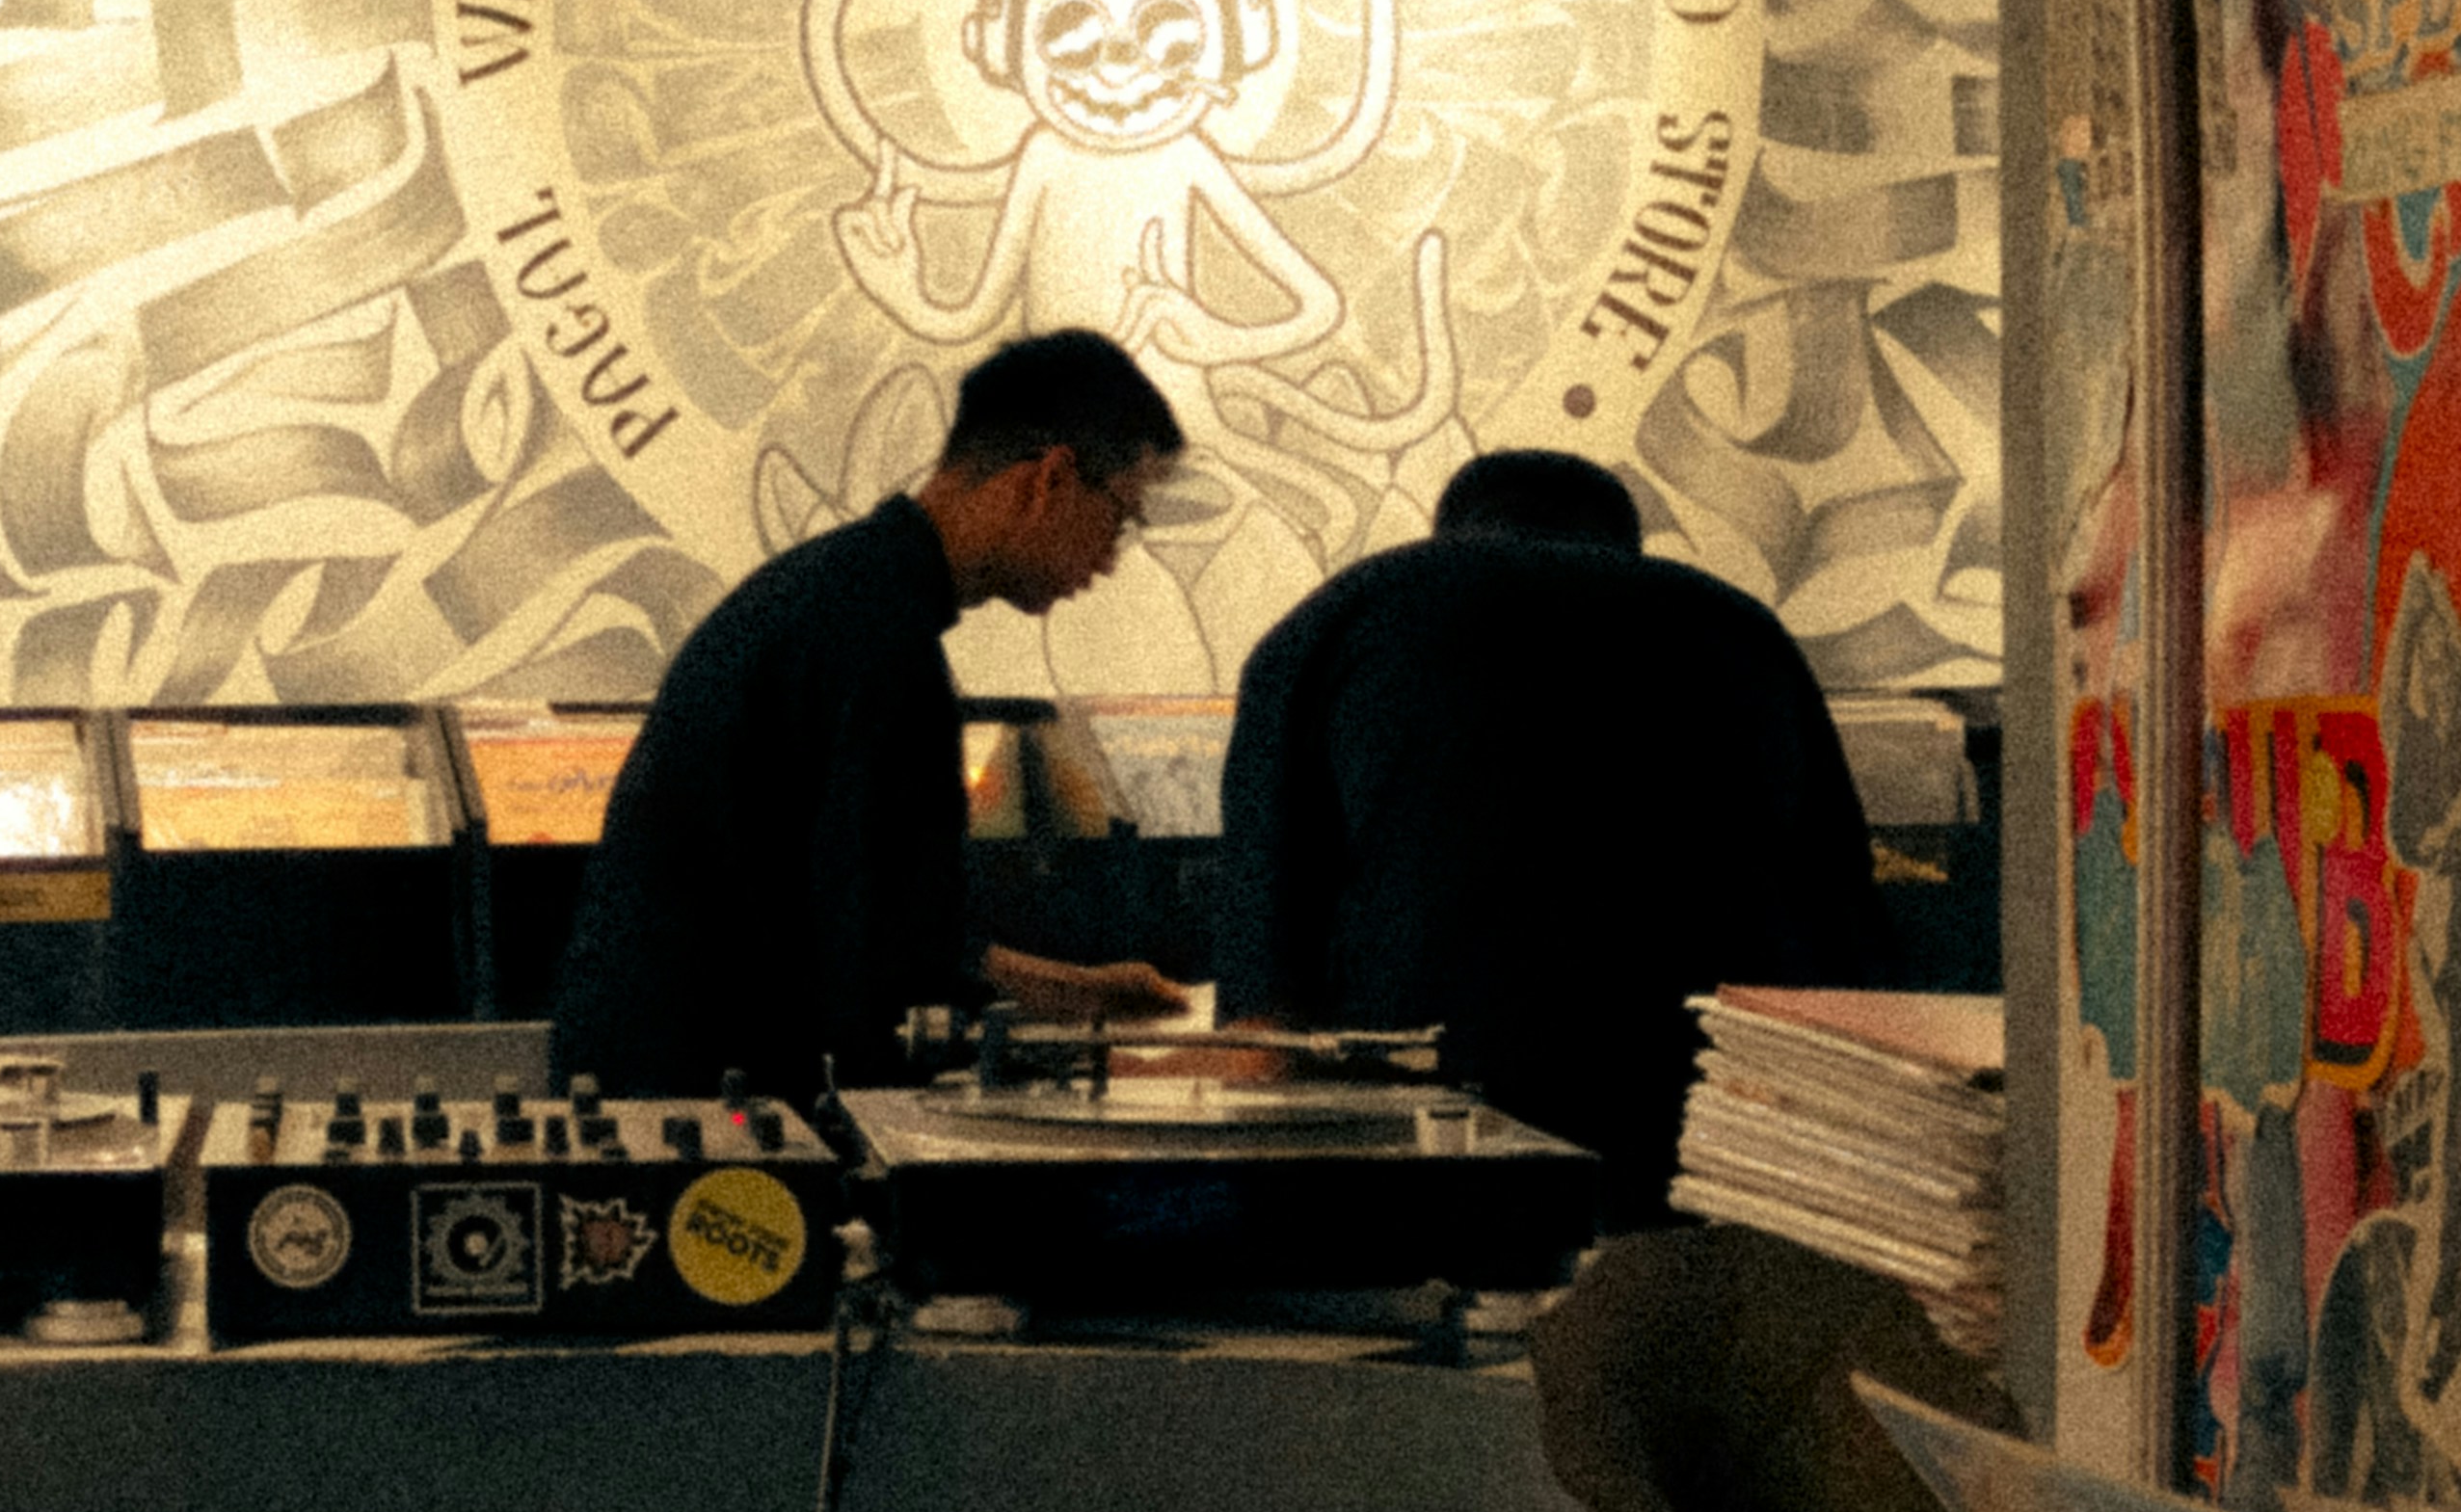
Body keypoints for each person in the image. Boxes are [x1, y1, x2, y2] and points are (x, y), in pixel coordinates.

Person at [1211, 447, 1884, 1227]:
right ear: (1623, 546)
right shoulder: (1739, 627)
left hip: (1436, 1114)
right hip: (1697, 1115)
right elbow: (1842, 916)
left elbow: (1264, 939)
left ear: (1448, 536)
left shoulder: (1336, 617)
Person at [548, 331, 1195, 1103]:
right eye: (1121, 518)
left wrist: (1072, 992)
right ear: (1049, 480)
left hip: (665, 1089)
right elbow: (882, 981)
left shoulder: (842, 597)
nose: (1111, 558)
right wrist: (1089, 1071)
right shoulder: (877, 643)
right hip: (717, 1118)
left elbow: (890, 927)